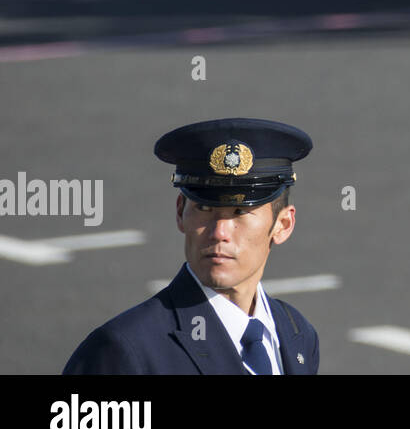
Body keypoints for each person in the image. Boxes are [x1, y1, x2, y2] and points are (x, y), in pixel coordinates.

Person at [63, 118, 318, 375]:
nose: (219, 232)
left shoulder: (297, 334)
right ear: (180, 212)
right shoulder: (124, 351)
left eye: (240, 212)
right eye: (204, 208)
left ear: (283, 225)